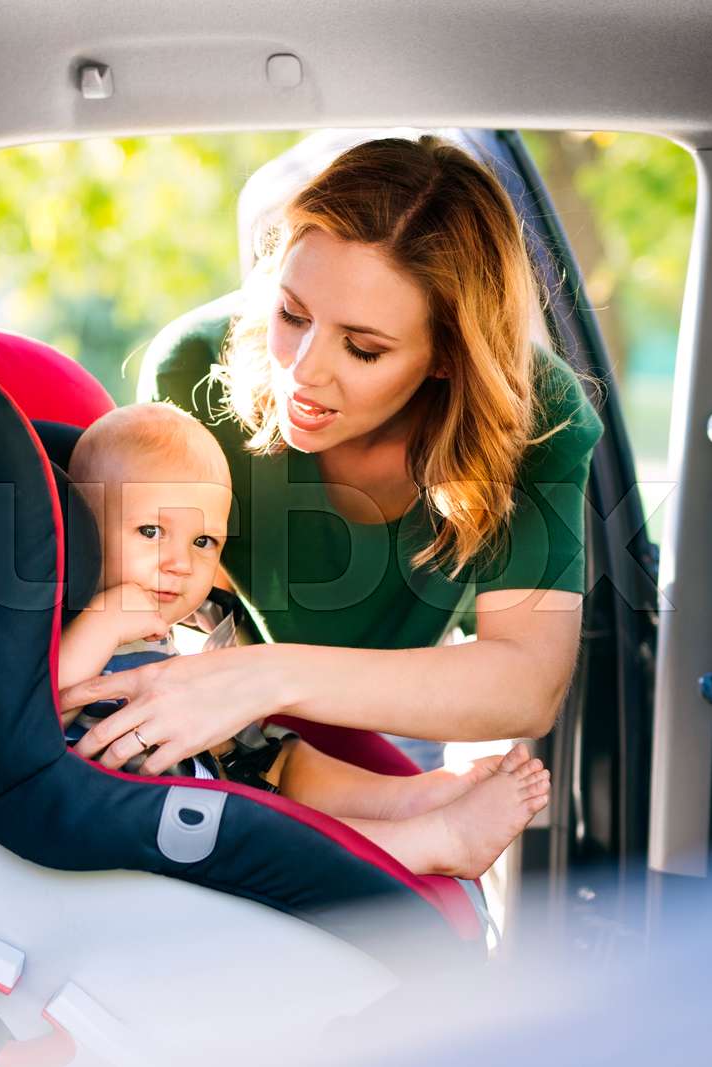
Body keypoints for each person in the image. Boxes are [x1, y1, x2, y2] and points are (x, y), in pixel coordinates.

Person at [60, 135, 604, 786]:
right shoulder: (193, 370)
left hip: (402, 695)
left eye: (364, 350)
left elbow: (525, 682)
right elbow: (161, 589)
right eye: (292, 313)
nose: (302, 369)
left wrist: (266, 678)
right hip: (228, 680)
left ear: (446, 357)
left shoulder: (538, 415)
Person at [58, 402, 551, 878]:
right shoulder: (69, 620)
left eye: (203, 542)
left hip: (212, 775)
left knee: (281, 755)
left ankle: (410, 799)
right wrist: (103, 622)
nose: (180, 563)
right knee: (260, 826)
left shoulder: (186, 623)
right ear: (83, 527)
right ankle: (435, 841)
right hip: (160, 817)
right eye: (151, 531)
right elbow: (34, 714)